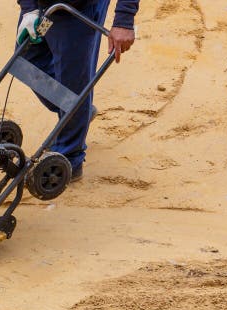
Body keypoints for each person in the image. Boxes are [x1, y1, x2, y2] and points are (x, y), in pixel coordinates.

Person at [16, 0, 138, 181]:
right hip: (43, 8)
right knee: (25, 61)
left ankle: (69, 158)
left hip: (79, 10)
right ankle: (79, 113)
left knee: (72, 81)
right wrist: (29, 9)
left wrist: (124, 20)